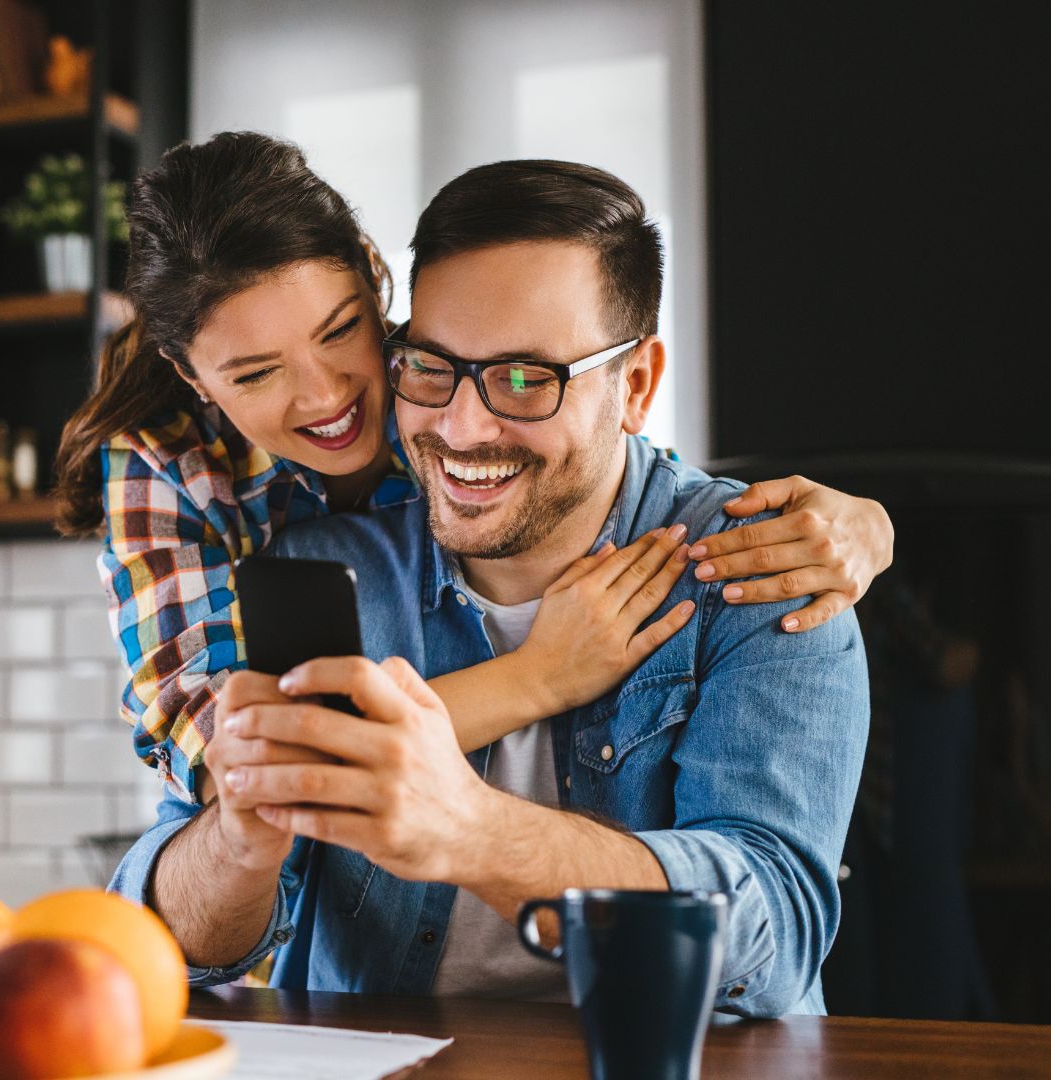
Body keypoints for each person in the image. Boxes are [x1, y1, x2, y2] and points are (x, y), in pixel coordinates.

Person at [110, 159, 871, 1017]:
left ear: (638, 385)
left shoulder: (766, 564)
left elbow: (776, 933)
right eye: (431, 367)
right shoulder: (308, 568)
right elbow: (177, 947)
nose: (464, 428)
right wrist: (240, 843)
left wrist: (475, 833)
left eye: (526, 378)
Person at [55, 132, 892, 805]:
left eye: (343, 330)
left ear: (373, 280)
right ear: (191, 374)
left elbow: (596, 460)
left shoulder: (435, 376)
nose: (328, 396)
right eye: (254, 374)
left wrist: (866, 524)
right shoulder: (165, 467)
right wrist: (536, 679)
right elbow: (239, 766)